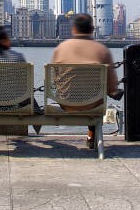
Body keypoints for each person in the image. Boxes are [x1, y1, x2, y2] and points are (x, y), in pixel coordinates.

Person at [51, 13, 122, 149]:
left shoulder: (61, 48)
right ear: (91, 29)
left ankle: (91, 134)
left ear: (73, 29)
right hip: (93, 106)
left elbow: (54, 80)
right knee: (95, 96)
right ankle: (92, 134)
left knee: (81, 92)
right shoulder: (102, 50)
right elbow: (113, 86)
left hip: (66, 104)